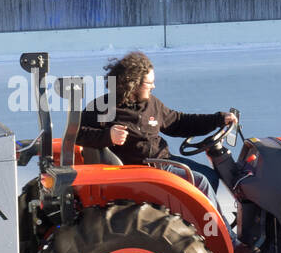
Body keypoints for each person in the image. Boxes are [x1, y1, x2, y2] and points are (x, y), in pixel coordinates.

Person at [76, 51, 238, 198]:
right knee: (201, 182)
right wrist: (108, 136)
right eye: (149, 83)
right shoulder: (104, 106)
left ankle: (196, 224)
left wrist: (218, 119)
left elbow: (179, 122)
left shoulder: (151, 104)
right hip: (142, 169)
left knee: (210, 176)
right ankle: (216, 229)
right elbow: (78, 134)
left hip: (163, 161)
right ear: (132, 84)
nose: (153, 86)